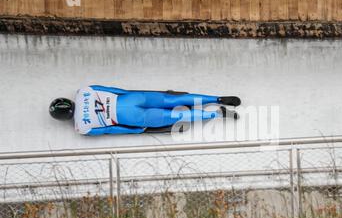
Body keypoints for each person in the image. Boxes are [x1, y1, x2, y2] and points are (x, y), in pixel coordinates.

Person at [49, 85, 241, 135]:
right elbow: (112, 90)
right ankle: (217, 98)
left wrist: (135, 130)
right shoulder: (84, 91)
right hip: (133, 98)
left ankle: (216, 113)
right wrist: (128, 94)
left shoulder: (82, 128)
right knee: (173, 99)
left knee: (176, 115)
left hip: (133, 117)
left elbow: (110, 130)